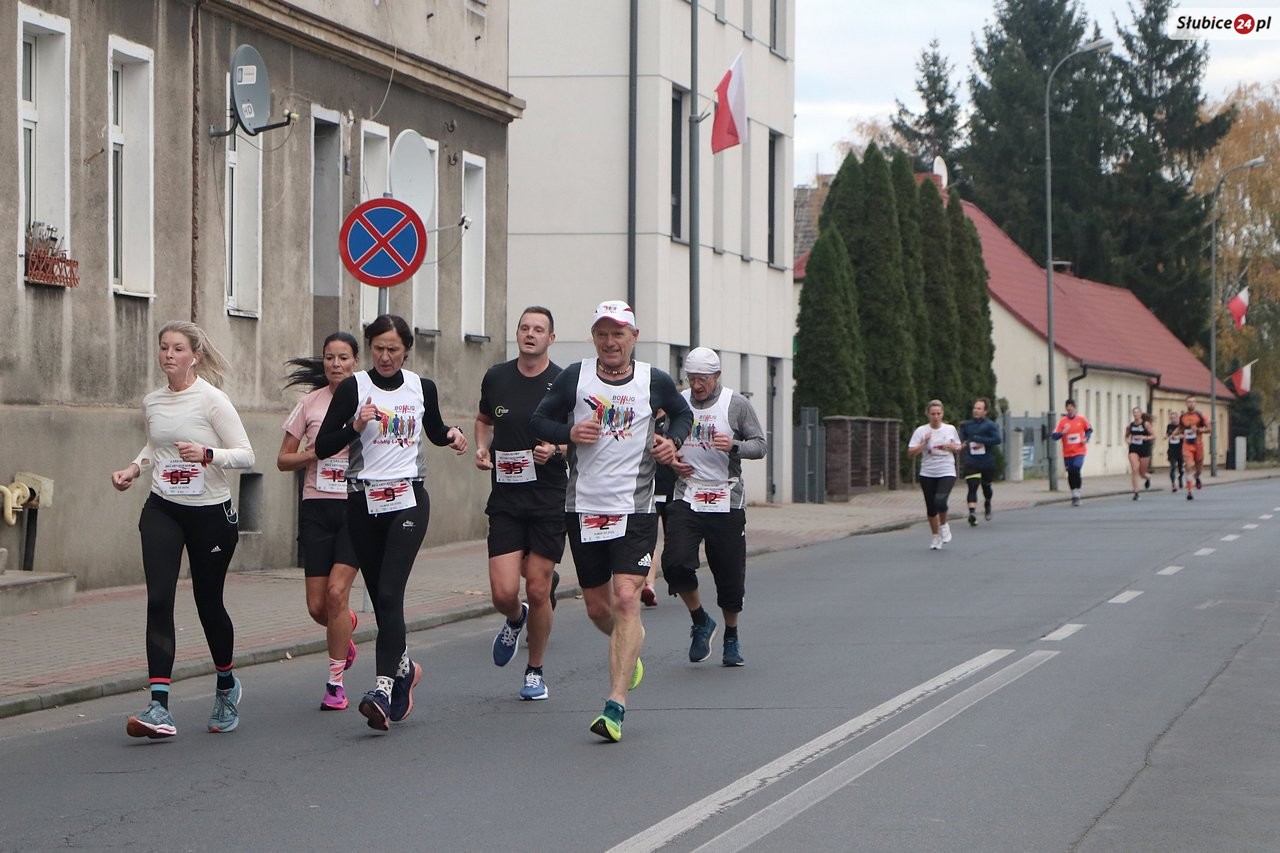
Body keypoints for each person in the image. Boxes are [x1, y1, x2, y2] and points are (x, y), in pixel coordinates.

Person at [529, 300, 692, 743]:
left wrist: (670, 441)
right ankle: (629, 647)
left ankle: (614, 705)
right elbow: (538, 418)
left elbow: (683, 414)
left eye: (618, 333)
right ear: (594, 338)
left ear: (633, 337)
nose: (610, 341)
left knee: (625, 598)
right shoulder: (575, 377)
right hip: (583, 507)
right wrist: (568, 434)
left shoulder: (652, 380)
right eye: (602, 333)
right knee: (599, 607)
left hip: (634, 508)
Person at [314, 315, 468, 732]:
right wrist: (355, 425)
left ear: (406, 351)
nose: (385, 357)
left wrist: (452, 434)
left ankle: (381, 687)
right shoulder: (353, 388)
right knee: (383, 600)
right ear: (369, 349)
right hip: (362, 499)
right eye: (379, 348)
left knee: (389, 591)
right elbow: (324, 445)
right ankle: (404, 667)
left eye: (393, 350)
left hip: (408, 499)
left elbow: (433, 431)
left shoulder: (421, 387)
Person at [111, 321, 256, 739]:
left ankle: (227, 686)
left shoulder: (212, 400)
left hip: (210, 513)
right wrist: (135, 468)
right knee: (159, 598)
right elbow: (156, 445)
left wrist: (209, 454)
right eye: (163, 348)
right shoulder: (152, 401)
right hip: (164, 508)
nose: (169, 355)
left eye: (177, 348)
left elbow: (247, 455)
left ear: (194, 355)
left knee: (208, 602)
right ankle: (159, 706)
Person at [474, 307, 568, 702]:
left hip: (548, 498)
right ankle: (516, 618)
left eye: (539, 329)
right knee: (503, 591)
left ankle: (535, 671)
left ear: (551, 338)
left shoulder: (564, 381)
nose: (530, 334)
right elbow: (483, 420)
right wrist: (481, 447)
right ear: (517, 334)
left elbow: (577, 434)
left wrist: (557, 449)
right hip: (507, 498)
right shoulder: (497, 376)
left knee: (539, 585)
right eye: (525, 328)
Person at [661, 347, 767, 667]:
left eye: (703, 380)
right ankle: (700, 620)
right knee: (675, 563)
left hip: (726, 498)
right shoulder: (678, 404)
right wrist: (672, 460)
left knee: (730, 576)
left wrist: (734, 446)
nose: (696, 386)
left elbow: (759, 445)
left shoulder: (736, 404)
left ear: (717, 376)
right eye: (692, 379)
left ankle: (731, 637)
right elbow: (667, 442)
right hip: (687, 495)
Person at [277, 332, 362, 711]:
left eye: (343, 358)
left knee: (335, 594)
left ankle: (335, 683)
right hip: (316, 508)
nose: (336, 365)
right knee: (318, 607)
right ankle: (345, 627)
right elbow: (283, 459)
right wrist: (314, 454)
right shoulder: (310, 403)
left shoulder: (368, 401)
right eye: (330, 358)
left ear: (355, 361)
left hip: (355, 509)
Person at [907, 400, 962, 550]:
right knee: (931, 507)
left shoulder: (950, 429)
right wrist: (924, 444)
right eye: (933, 414)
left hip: (946, 471)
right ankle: (936, 536)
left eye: (938, 413)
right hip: (928, 472)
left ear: (942, 414)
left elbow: (959, 446)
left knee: (940, 500)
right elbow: (911, 453)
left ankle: (943, 525)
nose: (936, 417)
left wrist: (953, 447)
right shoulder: (921, 431)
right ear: (927, 414)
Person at [643, 409, 677, 607]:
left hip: (671, 488)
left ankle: (676, 574)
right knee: (649, 540)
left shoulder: (674, 423)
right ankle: (649, 586)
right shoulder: (643, 419)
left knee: (673, 542)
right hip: (648, 489)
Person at [958, 398, 1002, 526]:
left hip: (987, 462)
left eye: (979, 409)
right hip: (972, 461)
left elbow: (997, 439)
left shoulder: (990, 425)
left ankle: (987, 502)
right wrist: (962, 444)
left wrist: (980, 440)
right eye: (975, 408)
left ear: (985, 411)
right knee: (972, 486)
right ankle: (972, 513)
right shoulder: (967, 425)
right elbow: (962, 439)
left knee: (986, 487)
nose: (976, 411)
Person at [1052, 398, 1093, 507]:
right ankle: (1074, 493)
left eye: (1071, 408)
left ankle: (1077, 492)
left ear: (1075, 408)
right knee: (1070, 473)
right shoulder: (1062, 422)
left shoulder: (1081, 419)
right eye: (1067, 408)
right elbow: (1054, 436)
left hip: (1079, 450)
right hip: (1067, 452)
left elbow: (1089, 429)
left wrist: (1086, 438)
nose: (1069, 410)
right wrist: (1062, 432)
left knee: (1076, 468)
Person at [1179, 395, 1210, 499]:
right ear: (1186, 403)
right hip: (1187, 444)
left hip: (1198, 445)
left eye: (1193, 402)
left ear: (1195, 403)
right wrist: (1172, 434)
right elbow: (1180, 428)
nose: (1191, 403)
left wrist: (1198, 430)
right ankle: (1190, 491)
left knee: (1199, 468)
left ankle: (1197, 477)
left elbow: (1209, 429)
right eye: (1189, 402)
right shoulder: (1183, 417)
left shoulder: (1200, 415)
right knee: (1188, 466)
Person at [1124, 407, 1155, 501]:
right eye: (1134, 413)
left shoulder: (1146, 424)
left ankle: (1148, 477)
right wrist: (1128, 441)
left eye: (1137, 412)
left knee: (1142, 473)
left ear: (1141, 414)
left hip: (1144, 449)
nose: (1136, 414)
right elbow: (1126, 436)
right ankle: (1136, 492)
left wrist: (1144, 437)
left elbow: (1153, 436)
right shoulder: (1130, 426)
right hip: (1133, 448)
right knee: (1134, 469)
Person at [1165, 411, 1186, 493]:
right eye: (1171, 418)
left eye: (1174, 418)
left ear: (1178, 418)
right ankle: (1173, 483)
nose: (1173, 419)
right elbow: (1167, 434)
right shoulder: (1169, 426)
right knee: (1172, 467)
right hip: (1172, 449)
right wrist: (1166, 436)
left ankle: (1180, 477)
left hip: (1180, 449)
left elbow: (1185, 435)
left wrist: (1178, 436)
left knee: (1180, 467)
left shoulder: (1181, 427)